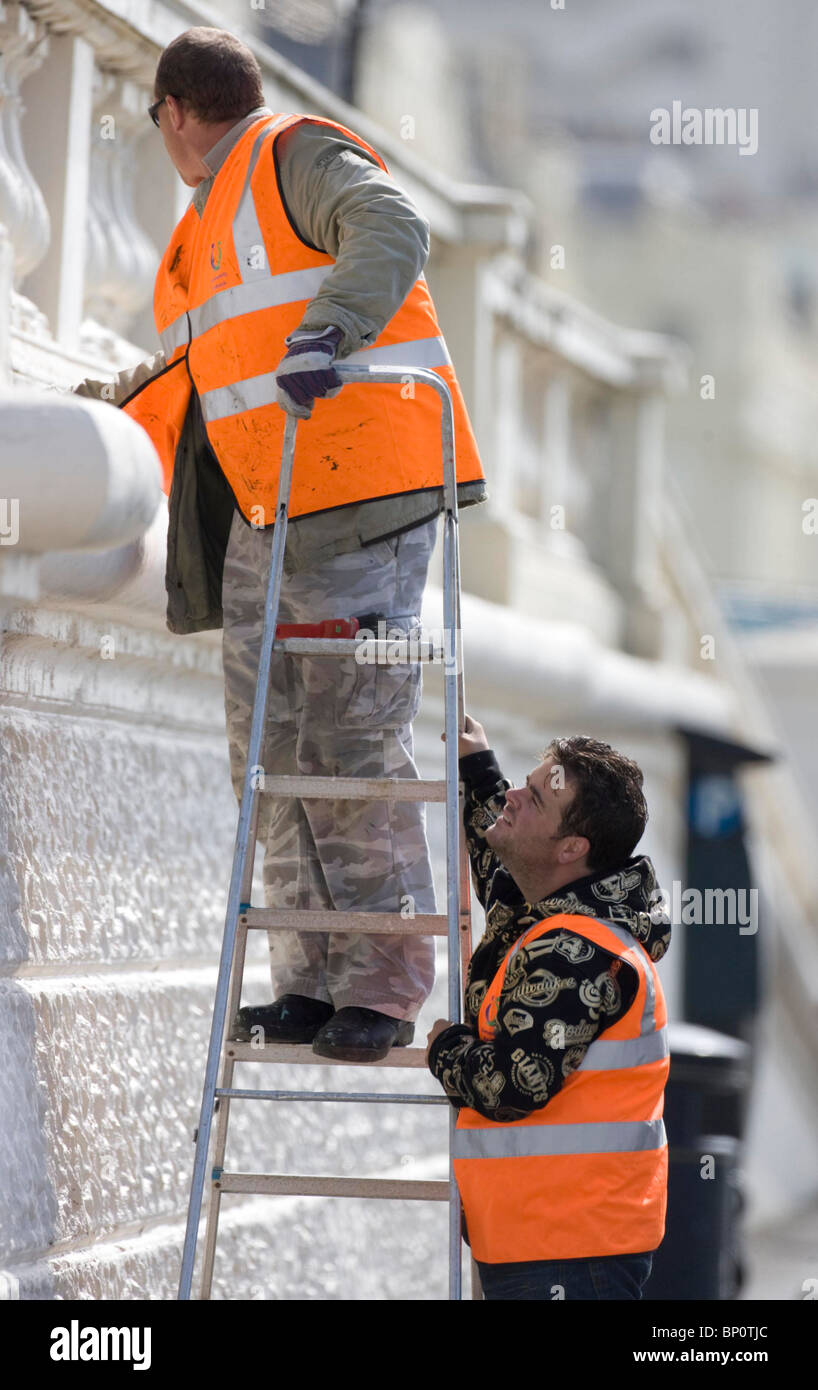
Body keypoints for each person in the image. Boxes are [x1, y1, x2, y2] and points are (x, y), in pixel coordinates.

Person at [75, 27, 485, 1062]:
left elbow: (390, 226)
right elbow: (191, 377)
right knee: (268, 754)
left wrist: (329, 331)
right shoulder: (207, 226)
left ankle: (383, 987)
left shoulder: (291, 153)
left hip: (365, 498)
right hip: (276, 509)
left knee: (348, 743)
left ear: (171, 113)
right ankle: (308, 982)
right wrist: (89, 413)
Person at [426, 714, 671, 1301]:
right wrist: (478, 766)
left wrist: (443, 1048)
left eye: (533, 797)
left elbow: (510, 1086)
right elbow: (501, 858)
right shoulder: (554, 913)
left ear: (571, 848)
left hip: (567, 1255)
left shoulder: (578, 952)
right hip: (551, 1245)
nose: (514, 796)